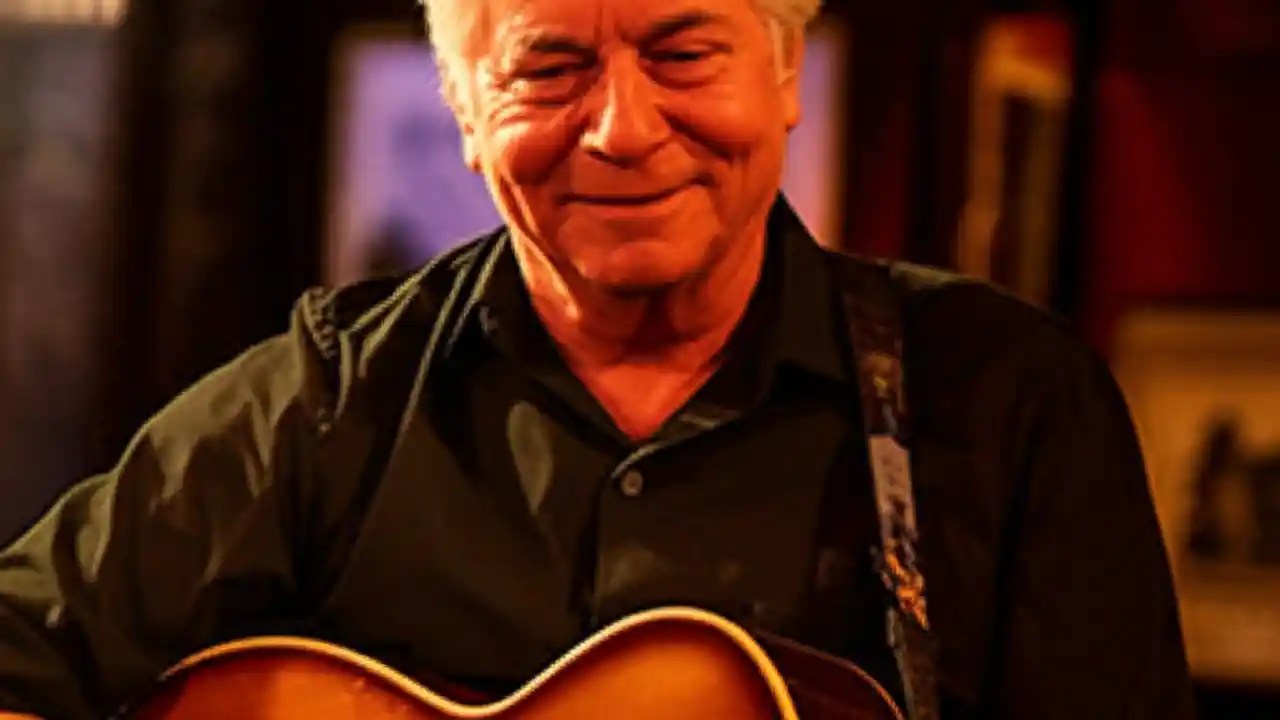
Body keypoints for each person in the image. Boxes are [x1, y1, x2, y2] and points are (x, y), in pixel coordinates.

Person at [0, 0, 1196, 718]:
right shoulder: (328, 400)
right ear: (466, 114)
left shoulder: (1008, 401)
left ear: (785, 79)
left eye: (681, 55)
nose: (622, 129)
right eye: (549, 68)